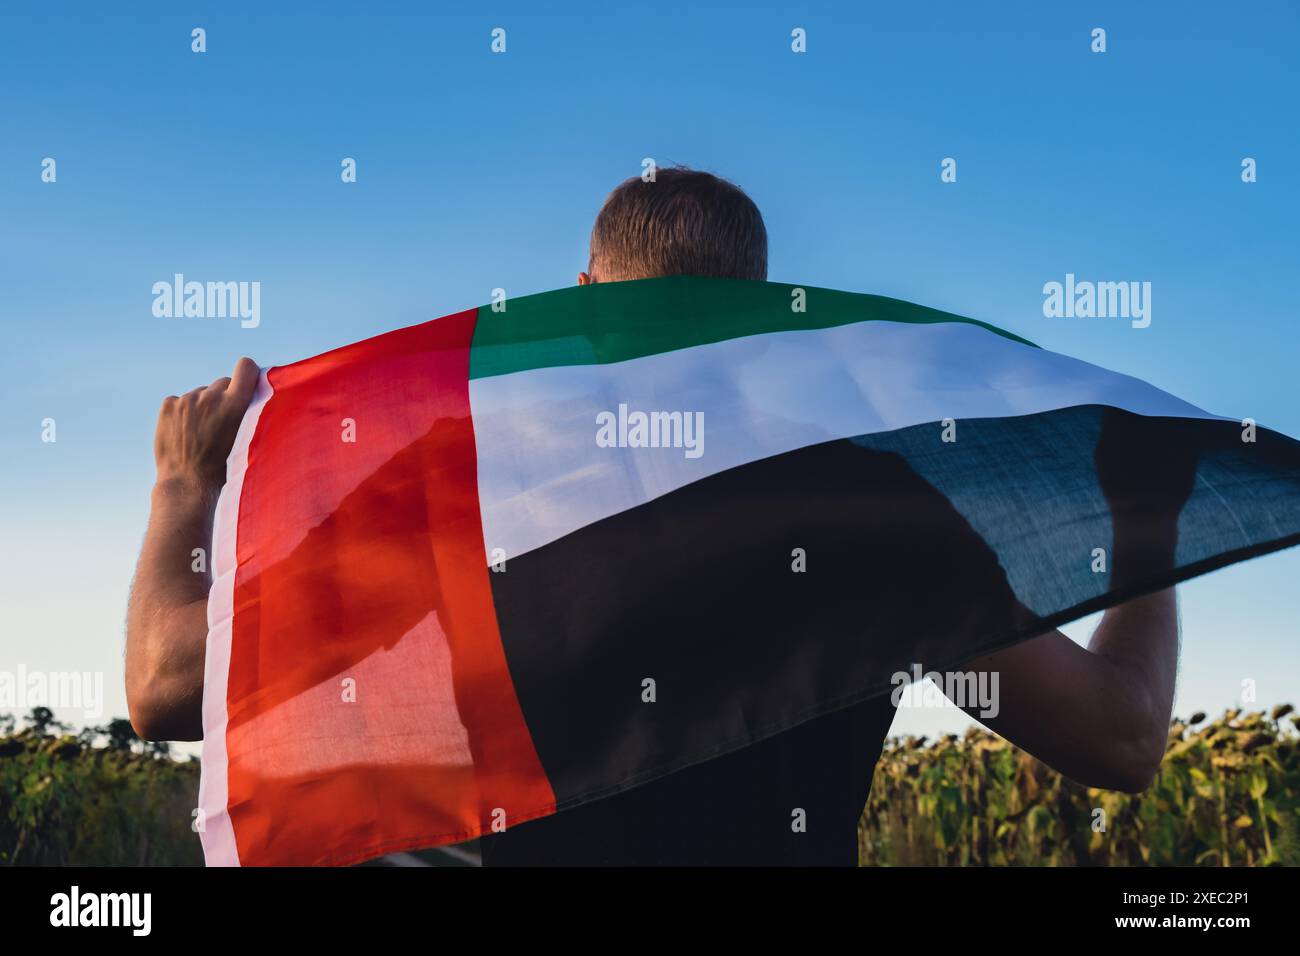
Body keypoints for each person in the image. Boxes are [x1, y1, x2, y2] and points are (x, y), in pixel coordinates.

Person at [126, 166, 1181, 865]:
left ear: (581, 297)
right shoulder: (878, 511)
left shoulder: (442, 488)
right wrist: (1152, 523)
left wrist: (184, 486)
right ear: (760, 315)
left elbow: (169, 685)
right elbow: (1121, 733)